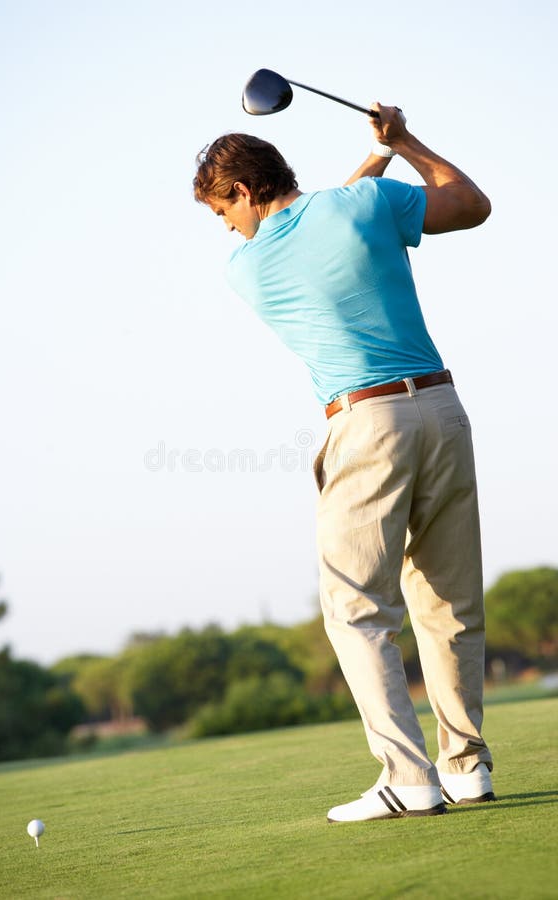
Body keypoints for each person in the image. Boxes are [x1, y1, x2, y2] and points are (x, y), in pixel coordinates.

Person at [193, 104, 495, 822]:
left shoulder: (247, 267)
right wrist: (399, 143)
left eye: (222, 211)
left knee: (357, 610)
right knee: (449, 603)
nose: (226, 227)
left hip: (368, 424)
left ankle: (409, 779)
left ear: (242, 190)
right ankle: (467, 769)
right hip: (443, 410)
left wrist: (378, 154)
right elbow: (469, 204)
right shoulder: (369, 205)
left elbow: (316, 219)